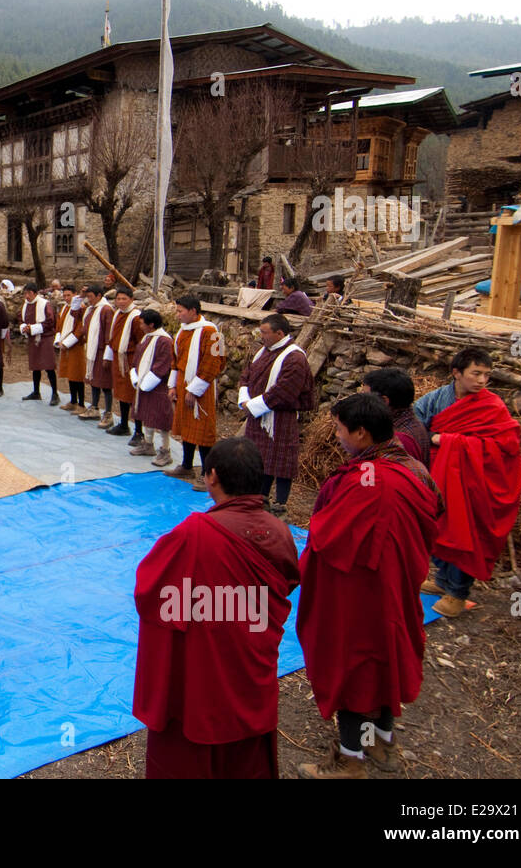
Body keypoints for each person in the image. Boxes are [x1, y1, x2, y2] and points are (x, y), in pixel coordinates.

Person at [296, 394, 443, 778]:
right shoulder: (413, 470)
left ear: (361, 433)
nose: (339, 438)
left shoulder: (366, 483)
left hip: (360, 596)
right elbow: (434, 519)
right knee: (387, 661)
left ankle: (350, 760)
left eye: (341, 431)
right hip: (398, 589)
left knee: (356, 669)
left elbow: (325, 539)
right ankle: (382, 742)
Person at [134, 437, 299, 778]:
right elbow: (286, 583)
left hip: (203, 678)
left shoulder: (195, 534)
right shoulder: (282, 533)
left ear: (212, 478)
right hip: (252, 667)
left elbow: (149, 592)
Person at [413, 348, 521, 618]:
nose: (482, 380)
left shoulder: (493, 406)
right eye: (476, 373)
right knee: (437, 526)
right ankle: (441, 580)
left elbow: (507, 446)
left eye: (487, 375)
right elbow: (415, 426)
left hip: (474, 482)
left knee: (463, 532)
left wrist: (449, 441)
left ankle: (458, 592)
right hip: (438, 475)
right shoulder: (437, 399)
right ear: (457, 373)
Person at [236, 314, 314, 520]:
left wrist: (253, 405)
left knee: (282, 461)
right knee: (261, 458)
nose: (261, 336)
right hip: (258, 414)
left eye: (264, 332)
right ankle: (261, 498)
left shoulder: (294, 357)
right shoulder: (262, 352)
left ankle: (280, 505)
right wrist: (245, 399)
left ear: (279, 333)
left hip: (279, 418)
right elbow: (246, 376)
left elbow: (284, 391)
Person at [166, 295, 223, 491]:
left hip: (202, 387)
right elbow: (176, 360)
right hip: (183, 383)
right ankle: (187, 465)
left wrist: (195, 389)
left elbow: (215, 362)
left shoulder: (212, 332)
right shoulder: (181, 332)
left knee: (203, 431)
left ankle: (207, 474)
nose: (178, 315)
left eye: (180, 311)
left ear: (192, 311)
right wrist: (173, 385)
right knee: (186, 426)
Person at [130, 308, 176, 466]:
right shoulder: (146, 338)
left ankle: (165, 451)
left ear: (151, 324)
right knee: (147, 415)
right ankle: (148, 444)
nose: (140, 326)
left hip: (158, 385)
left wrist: (148, 381)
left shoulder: (164, 341)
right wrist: (136, 376)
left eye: (142, 323)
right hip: (144, 383)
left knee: (161, 419)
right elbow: (137, 359)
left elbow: (163, 363)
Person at [362, 367, 430, 464]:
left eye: (366, 397)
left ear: (384, 401)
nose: (362, 403)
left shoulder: (400, 440)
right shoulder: (408, 424)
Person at [77, 284, 115, 426]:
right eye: (87, 297)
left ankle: (108, 413)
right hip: (92, 350)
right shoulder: (91, 310)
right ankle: (94, 407)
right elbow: (77, 314)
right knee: (94, 381)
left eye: (90, 297)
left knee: (105, 383)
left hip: (101, 351)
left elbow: (108, 334)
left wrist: (107, 355)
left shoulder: (106, 310)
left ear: (99, 296)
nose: (88, 300)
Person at [106, 286, 141, 437]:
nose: (120, 302)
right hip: (118, 359)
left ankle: (138, 431)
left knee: (133, 395)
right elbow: (113, 336)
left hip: (130, 360)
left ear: (131, 299)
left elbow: (140, 341)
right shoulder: (117, 314)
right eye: (118, 299)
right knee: (121, 393)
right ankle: (124, 424)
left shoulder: (136, 317)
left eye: (124, 299)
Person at [19, 282, 59, 404]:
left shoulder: (44, 304)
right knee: (36, 367)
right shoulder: (25, 305)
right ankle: (36, 392)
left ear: (35, 293)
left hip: (45, 338)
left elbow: (50, 322)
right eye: (25, 293)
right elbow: (21, 319)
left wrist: (33, 328)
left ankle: (55, 394)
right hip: (33, 339)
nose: (27, 296)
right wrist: (24, 327)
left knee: (48, 367)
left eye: (29, 293)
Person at [56, 285, 87, 412]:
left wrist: (68, 342)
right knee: (70, 373)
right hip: (65, 345)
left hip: (76, 345)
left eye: (69, 295)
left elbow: (81, 327)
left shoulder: (81, 308)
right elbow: (59, 325)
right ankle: (73, 400)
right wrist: (59, 340)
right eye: (64, 296)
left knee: (77, 374)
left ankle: (81, 404)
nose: (67, 298)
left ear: (75, 295)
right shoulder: (64, 308)